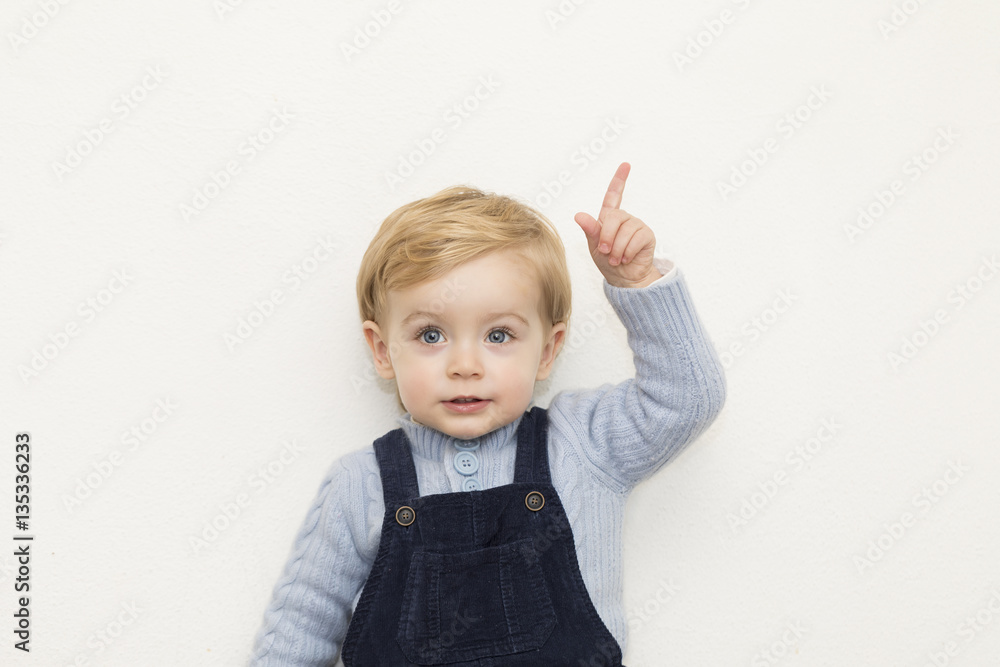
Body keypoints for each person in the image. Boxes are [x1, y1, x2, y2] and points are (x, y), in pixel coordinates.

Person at [247, 162, 727, 666]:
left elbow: (688, 399)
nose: (465, 365)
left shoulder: (584, 445)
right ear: (383, 350)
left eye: (498, 335)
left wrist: (638, 283)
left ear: (547, 351)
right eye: (431, 334)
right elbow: (296, 635)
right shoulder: (358, 486)